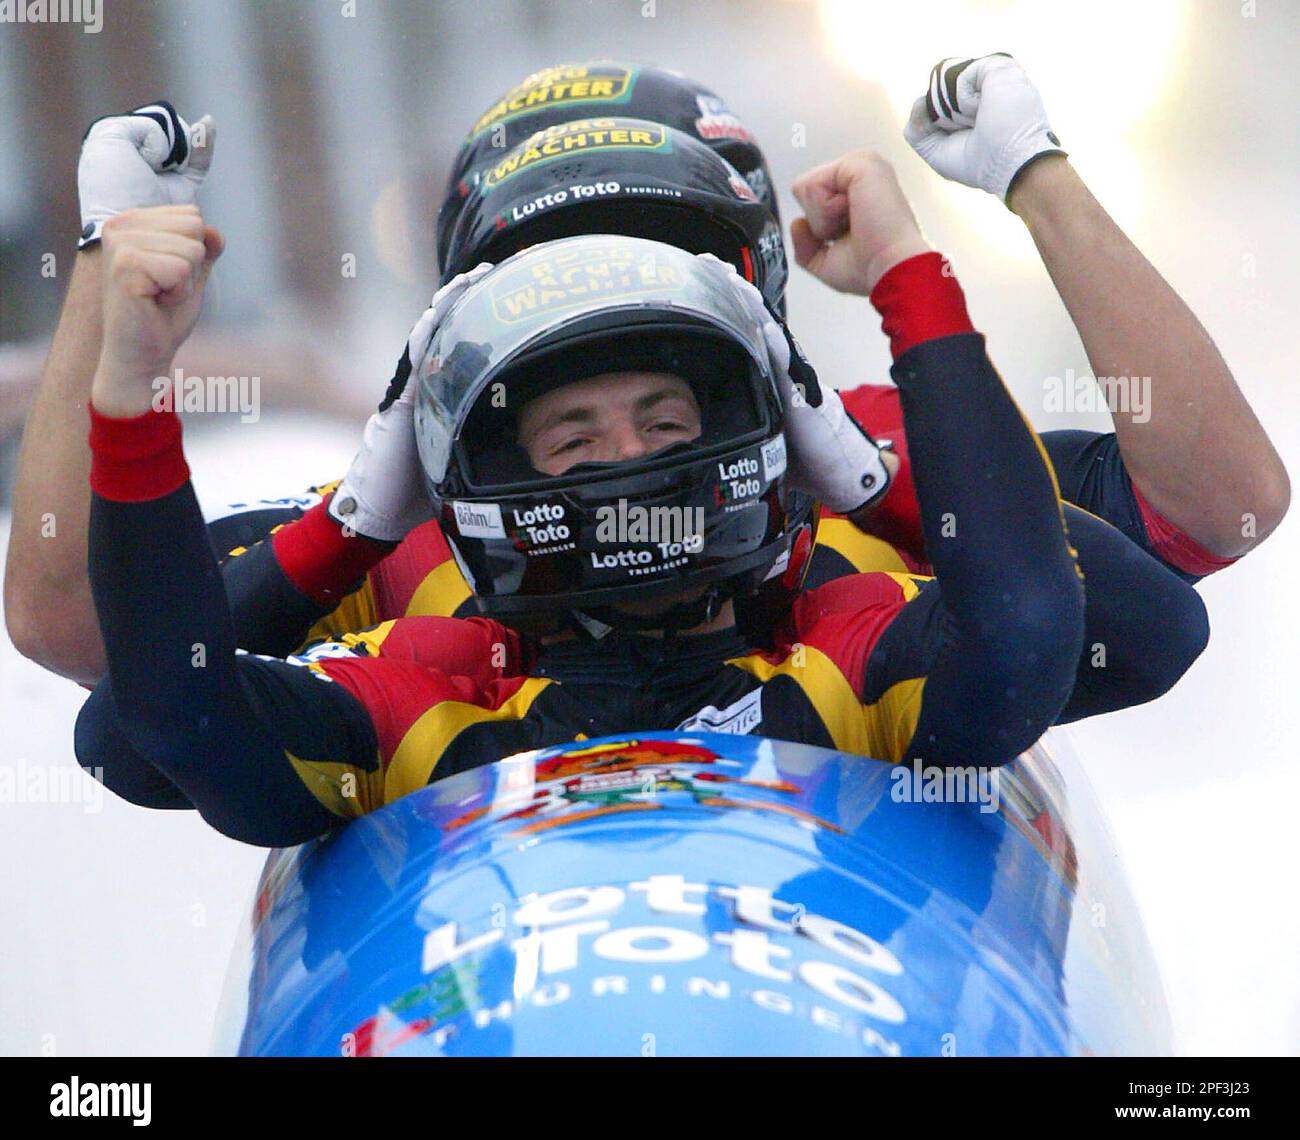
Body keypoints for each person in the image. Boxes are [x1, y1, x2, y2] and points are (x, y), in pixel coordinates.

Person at [8, 76, 1216, 727]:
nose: (599, 311)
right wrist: (112, 282)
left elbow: (1216, 517)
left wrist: (1033, 177)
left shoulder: (903, 441)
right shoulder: (405, 523)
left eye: (657, 259)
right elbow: (100, 647)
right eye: (547, 284)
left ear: (754, 284)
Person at [75, 210, 1086, 846]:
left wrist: (875, 446)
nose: (630, 463)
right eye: (575, 437)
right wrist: (139, 397)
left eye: (664, 423)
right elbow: (153, 719)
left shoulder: (844, 639)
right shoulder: (413, 690)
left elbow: (1049, 621)